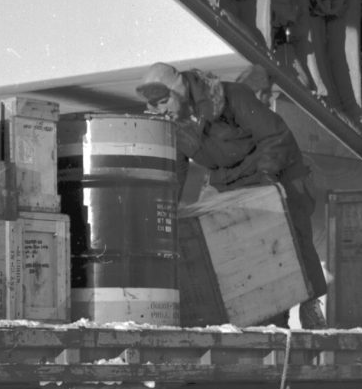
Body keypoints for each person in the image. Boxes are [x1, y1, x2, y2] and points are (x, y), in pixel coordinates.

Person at [136, 63, 326, 322]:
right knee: (252, 253)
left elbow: (275, 135)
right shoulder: (176, 125)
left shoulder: (232, 96)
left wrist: (267, 180)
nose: (159, 111)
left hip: (279, 171)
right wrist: (165, 209)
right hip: (233, 184)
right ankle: (273, 320)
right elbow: (175, 170)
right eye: (153, 106)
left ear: (177, 91)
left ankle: (310, 304)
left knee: (292, 240)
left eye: (161, 103)